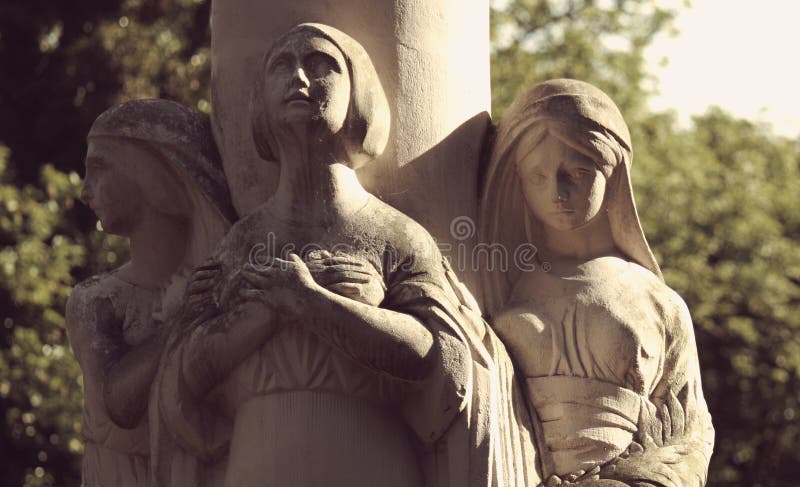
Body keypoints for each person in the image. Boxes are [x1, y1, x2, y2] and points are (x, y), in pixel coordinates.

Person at [153, 23, 539, 487]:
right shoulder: (243, 240)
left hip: (367, 457)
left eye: (321, 65)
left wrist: (309, 301)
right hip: (255, 461)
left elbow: (436, 356)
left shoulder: (393, 234)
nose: (298, 77)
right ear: (260, 98)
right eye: (282, 66)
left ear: (357, 93)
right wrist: (263, 315)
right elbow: (186, 375)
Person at [479, 79, 714, 486]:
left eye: (577, 171)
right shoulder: (497, 284)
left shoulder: (657, 301)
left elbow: (692, 437)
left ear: (612, 172)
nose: (557, 192)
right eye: (537, 176)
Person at [66, 99, 235, 487]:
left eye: (98, 168)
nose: (85, 191)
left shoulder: (221, 282)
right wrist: (182, 319)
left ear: (147, 171)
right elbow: (118, 404)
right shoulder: (96, 301)